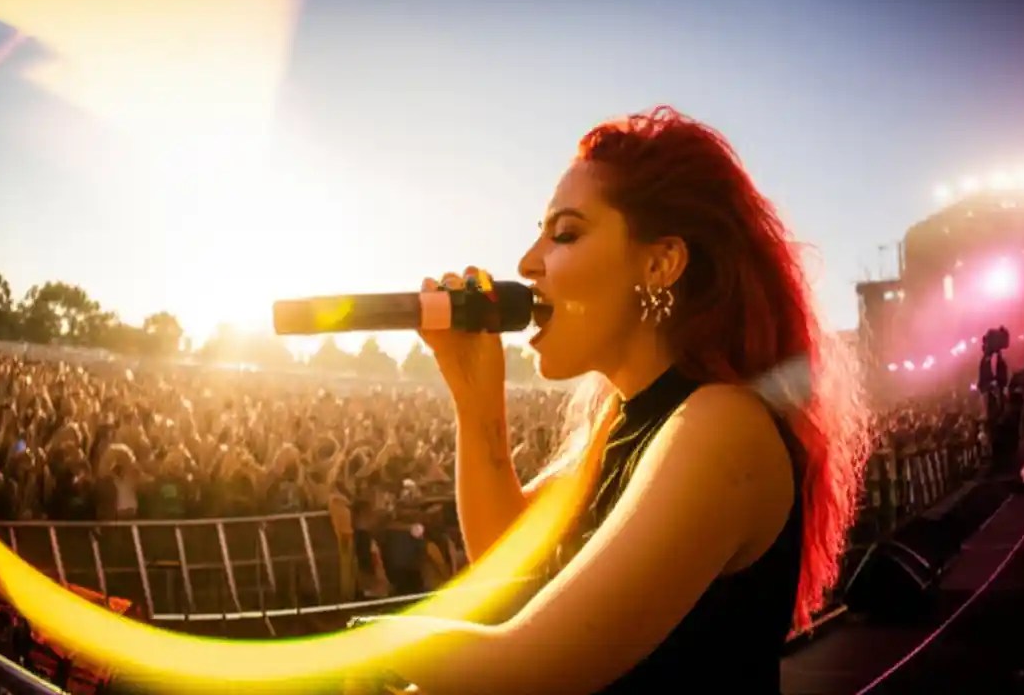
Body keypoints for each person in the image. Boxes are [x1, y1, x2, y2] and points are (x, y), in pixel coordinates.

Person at [352, 106, 868, 694]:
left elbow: (534, 666)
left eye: (565, 234)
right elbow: (509, 566)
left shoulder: (720, 425)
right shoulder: (619, 423)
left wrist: (363, 651)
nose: (527, 262)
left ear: (660, 263)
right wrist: (477, 406)